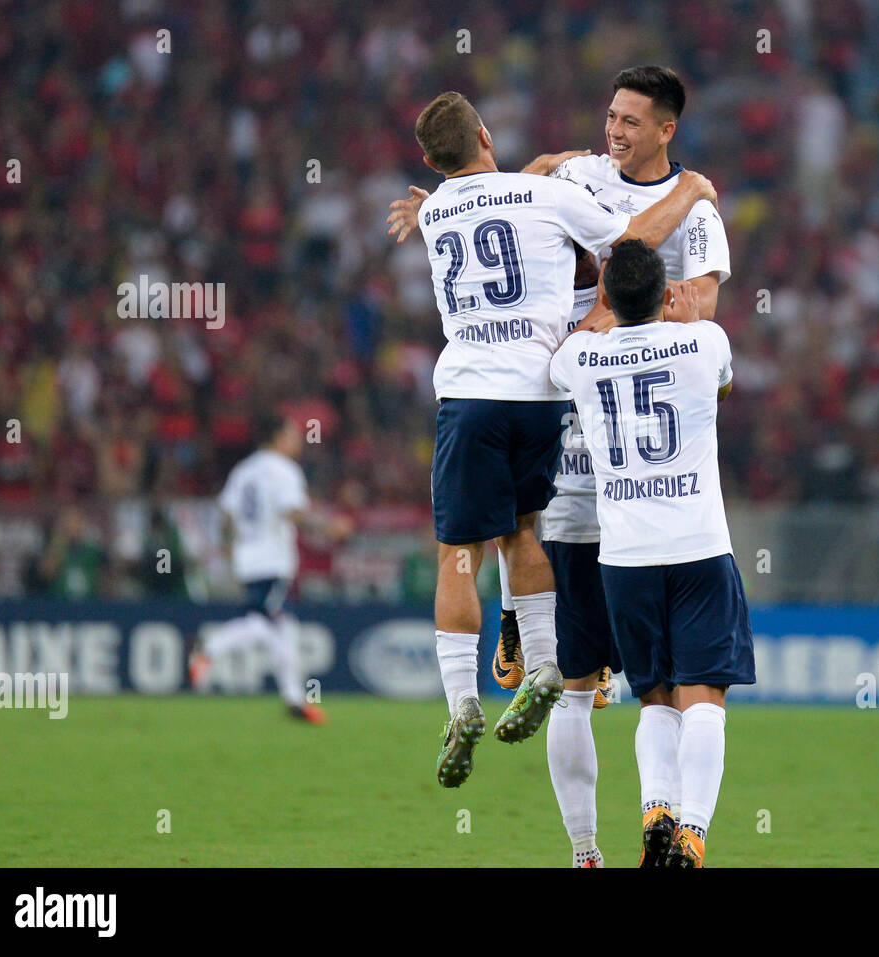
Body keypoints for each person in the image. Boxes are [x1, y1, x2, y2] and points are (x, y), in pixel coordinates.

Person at [389, 66, 731, 865]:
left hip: (608, 427)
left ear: (666, 131)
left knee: (643, 677)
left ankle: (657, 819)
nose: (613, 132)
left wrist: (614, 289)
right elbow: (536, 181)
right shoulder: (570, 176)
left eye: (631, 122)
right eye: (609, 116)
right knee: (580, 670)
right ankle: (588, 848)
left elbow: (703, 301)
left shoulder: (700, 212)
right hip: (576, 434)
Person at [550, 239, 754, 868]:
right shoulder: (705, 341)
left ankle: (654, 811)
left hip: (625, 558)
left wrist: (609, 311)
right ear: (667, 295)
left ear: (608, 297)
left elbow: (566, 357)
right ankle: (692, 830)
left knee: (656, 697)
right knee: (704, 698)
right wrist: (681, 319)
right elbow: (720, 386)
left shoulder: (582, 358)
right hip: (698, 548)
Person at [188, 412, 350, 723]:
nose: (298, 440)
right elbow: (293, 513)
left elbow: (225, 515)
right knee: (262, 622)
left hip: (248, 557)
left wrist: (228, 547)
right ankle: (208, 647)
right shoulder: (284, 470)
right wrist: (329, 527)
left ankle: (294, 700)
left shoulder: (244, 470)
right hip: (273, 559)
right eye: (291, 434)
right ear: (277, 438)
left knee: (283, 626)